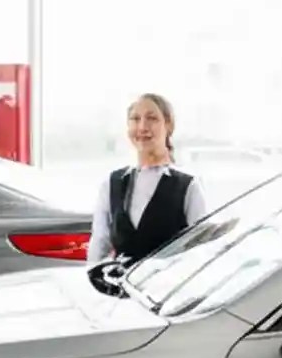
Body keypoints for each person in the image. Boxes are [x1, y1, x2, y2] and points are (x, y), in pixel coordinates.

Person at [86, 93, 208, 266]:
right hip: (121, 289)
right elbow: (99, 243)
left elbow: (199, 249)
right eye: (135, 119)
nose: (142, 127)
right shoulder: (112, 183)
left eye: (152, 118)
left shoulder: (188, 186)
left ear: (168, 125)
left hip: (167, 288)